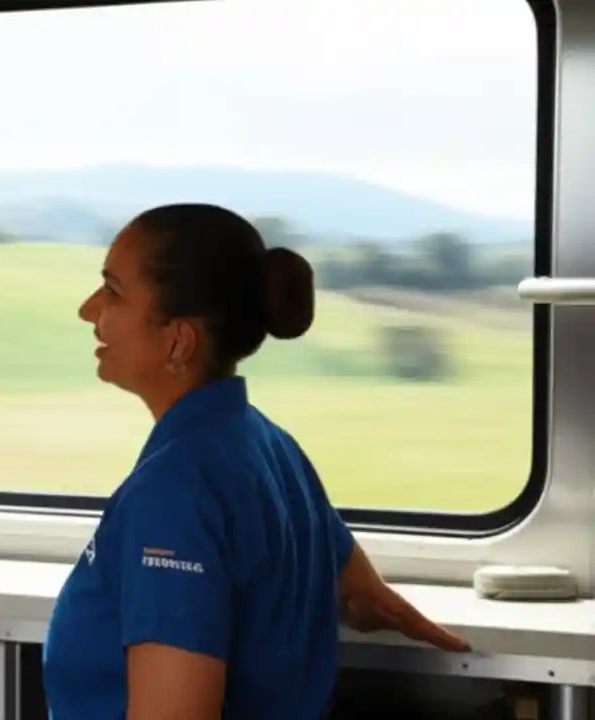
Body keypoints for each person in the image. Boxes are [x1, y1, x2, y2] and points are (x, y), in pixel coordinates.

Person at [42, 204, 469, 719]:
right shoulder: (267, 443)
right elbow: (360, 596)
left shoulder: (174, 493)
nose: (89, 309)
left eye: (112, 291)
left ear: (178, 339)